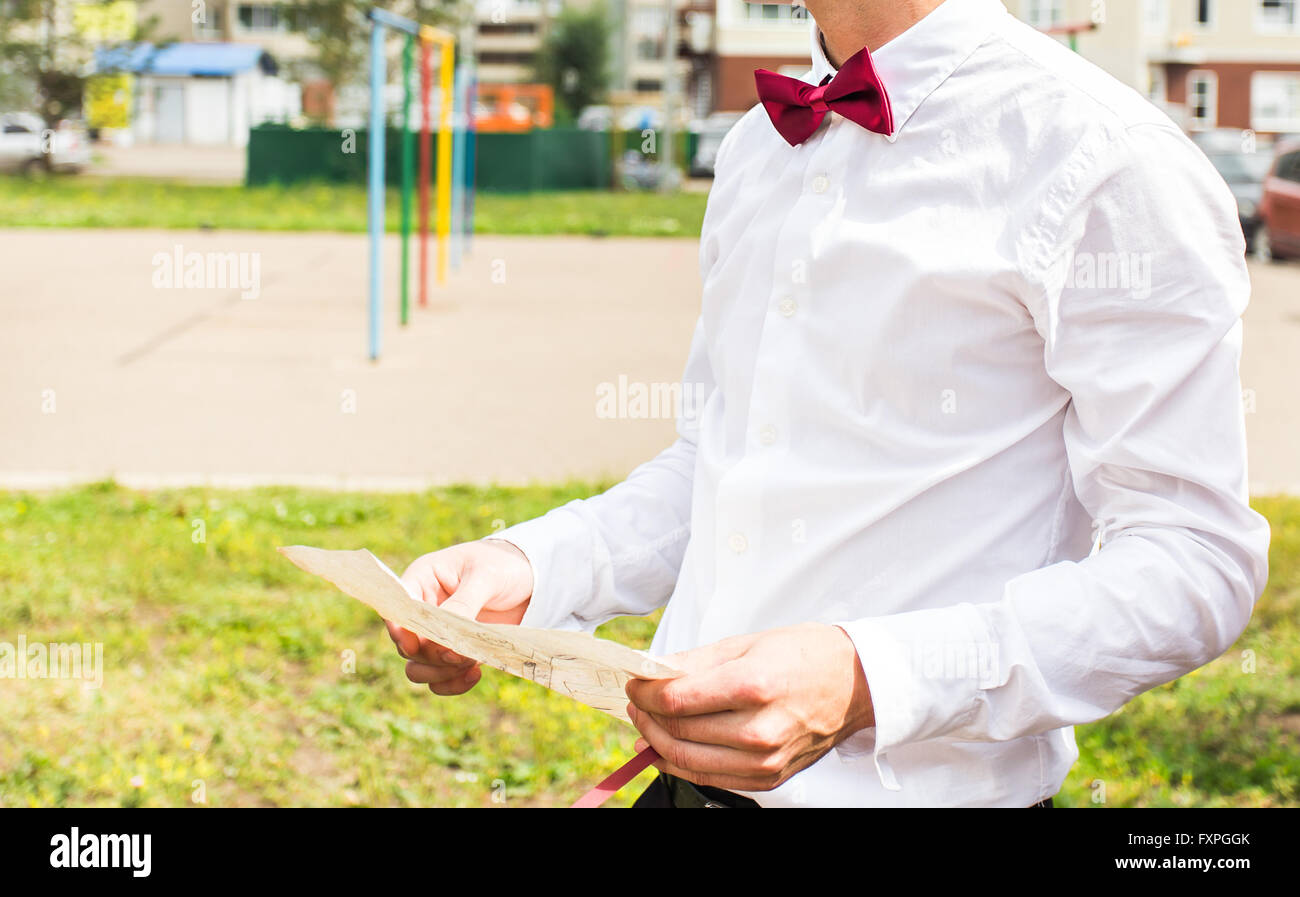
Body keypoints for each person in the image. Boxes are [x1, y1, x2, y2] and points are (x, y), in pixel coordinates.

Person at [386, 0, 1270, 807]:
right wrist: (535, 566)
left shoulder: (1107, 157)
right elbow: (719, 464)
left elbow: (1196, 560)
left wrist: (867, 679)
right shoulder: (756, 148)